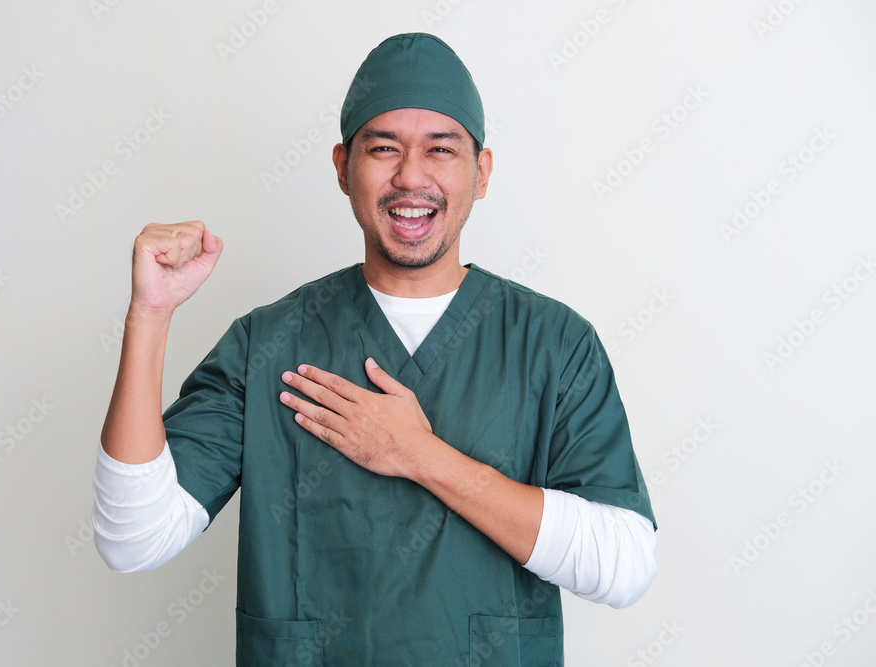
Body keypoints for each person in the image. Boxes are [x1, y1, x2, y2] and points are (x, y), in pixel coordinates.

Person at [93, 32, 657, 666]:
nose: (410, 176)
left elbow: (626, 564)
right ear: (342, 167)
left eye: (441, 150)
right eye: (383, 148)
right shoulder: (270, 343)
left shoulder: (552, 344)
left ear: (483, 172)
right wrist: (150, 314)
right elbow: (132, 540)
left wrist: (420, 455)